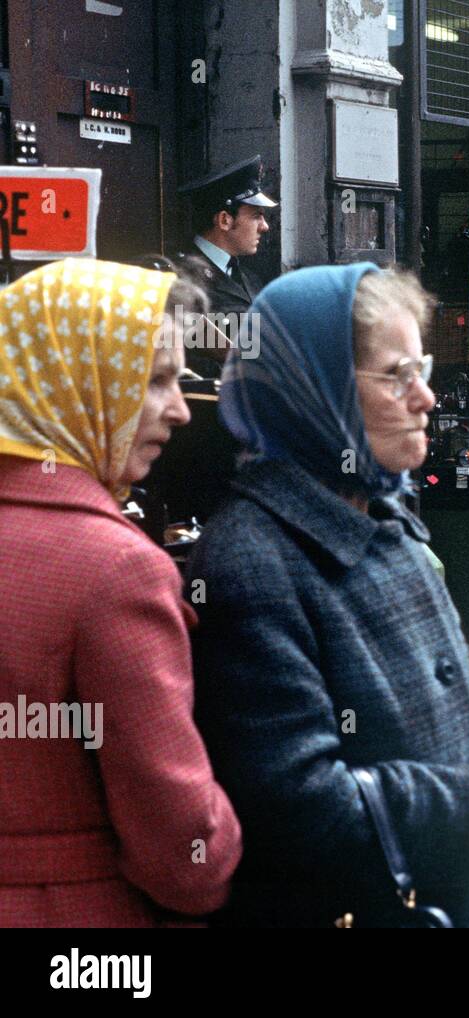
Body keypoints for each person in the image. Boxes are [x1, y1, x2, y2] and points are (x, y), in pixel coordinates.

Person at [186, 263, 469, 927]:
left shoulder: (382, 512)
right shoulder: (250, 561)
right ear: (312, 390)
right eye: (396, 375)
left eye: (423, 369)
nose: (426, 398)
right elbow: (302, 808)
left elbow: (464, 687)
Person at [0, 259, 241, 926]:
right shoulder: (115, 569)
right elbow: (182, 843)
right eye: (155, 379)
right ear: (76, 380)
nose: (178, 409)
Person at [175, 155, 278, 377]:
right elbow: (184, 363)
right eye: (256, 216)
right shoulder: (179, 279)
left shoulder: (249, 278)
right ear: (224, 220)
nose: (265, 226)